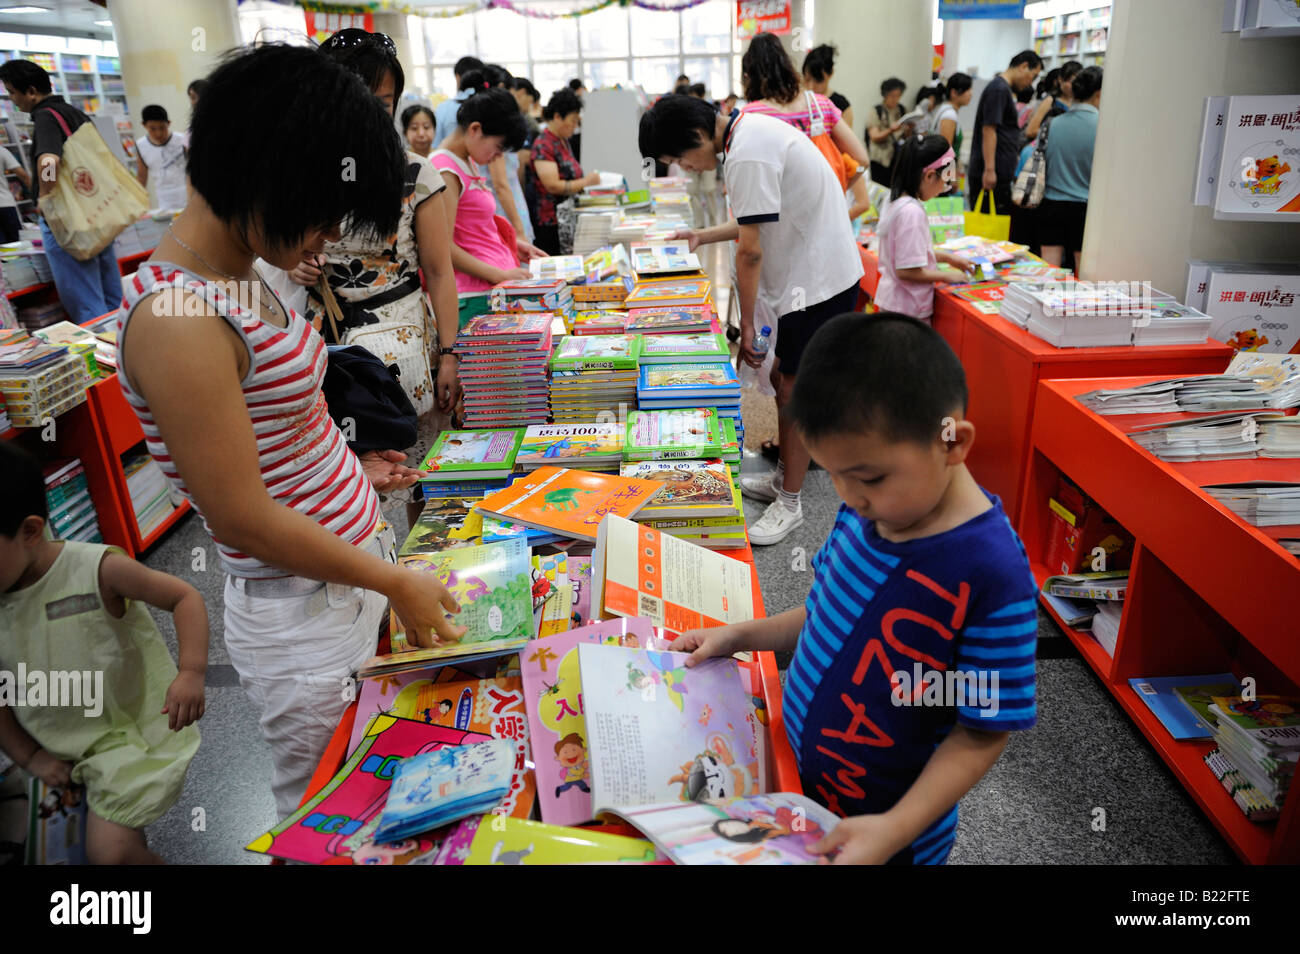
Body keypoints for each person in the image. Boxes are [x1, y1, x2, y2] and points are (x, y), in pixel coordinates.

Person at [115, 43, 467, 820]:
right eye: (321, 211)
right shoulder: (176, 320)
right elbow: (238, 515)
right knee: (323, 810)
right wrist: (391, 579)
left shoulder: (243, 272)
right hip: (303, 617)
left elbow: (274, 429)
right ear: (266, 173)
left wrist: (345, 463)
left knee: (374, 789)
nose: (328, 237)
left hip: (348, 573)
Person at [676, 313, 1037, 865]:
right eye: (835, 475)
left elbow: (982, 731)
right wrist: (738, 635)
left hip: (889, 839)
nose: (850, 497)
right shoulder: (866, 513)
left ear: (953, 441)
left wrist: (893, 829)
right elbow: (826, 614)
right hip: (804, 799)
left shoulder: (991, 573)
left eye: (868, 478)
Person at [639, 94, 863, 547]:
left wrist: (744, 328)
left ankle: (792, 504)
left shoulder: (747, 152)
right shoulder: (749, 134)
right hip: (815, 272)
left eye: (681, 157)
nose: (689, 166)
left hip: (819, 280)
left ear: (698, 137)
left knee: (793, 389)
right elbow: (754, 221)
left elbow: (751, 250)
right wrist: (703, 235)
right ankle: (784, 479)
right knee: (784, 379)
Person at [0, 442, 205, 864]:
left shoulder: (97, 569)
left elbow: (184, 597)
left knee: (111, 855)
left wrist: (191, 671)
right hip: (55, 747)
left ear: (31, 531)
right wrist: (30, 755)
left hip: (125, 738)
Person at [288, 29, 461, 442]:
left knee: (414, 467)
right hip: (322, 340)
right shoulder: (300, 174)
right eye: (355, 100)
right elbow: (271, 248)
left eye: (381, 104)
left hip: (405, 342)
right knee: (339, 470)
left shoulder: (416, 174)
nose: (366, 115)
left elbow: (439, 271)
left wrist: (451, 356)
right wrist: (292, 261)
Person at [0, 59, 123, 323]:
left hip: (70, 217)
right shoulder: (72, 111)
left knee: (85, 299)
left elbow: (48, 161)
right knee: (110, 294)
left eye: (12, 92)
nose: (12, 99)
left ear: (31, 91)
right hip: (96, 209)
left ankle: (102, 354)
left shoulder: (45, 117)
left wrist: (45, 195)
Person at [433, 87, 543, 291]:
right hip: (472, 291)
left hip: (492, 284)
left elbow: (472, 230)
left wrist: (514, 245)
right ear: (475, 129)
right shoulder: (444, 171)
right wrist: (500, 275)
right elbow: (443, 247)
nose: (497, 157)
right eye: (498, 148)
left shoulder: (466, 160)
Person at [876, 134, 975, 322]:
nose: (943, 189)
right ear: (930, 176)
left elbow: (905, 253)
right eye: (945, 183)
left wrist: (947, 257)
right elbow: (906, 271)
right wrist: (947, 276)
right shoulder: (911, 213)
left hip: (895, 305)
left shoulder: (895, 201)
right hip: (906, 312)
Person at [738, 34, 869, 170]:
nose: (811, 85)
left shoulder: (750, 115)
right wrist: (835, 187)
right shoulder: (822, 105)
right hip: (820, 189)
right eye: (808, 79)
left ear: (749, 77)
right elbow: (862, 159)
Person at [1040, 66, 1102, 269]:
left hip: (1051, 205)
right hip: (1086, 209)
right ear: (1099, 94)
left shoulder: (1052, 123)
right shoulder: (1102, 126)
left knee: (1050, 273)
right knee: (1083, 273)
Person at [968, 49, 1042, 213]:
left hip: (997, 172)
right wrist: (989, 170)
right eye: (1034, 75)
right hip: (991, 174)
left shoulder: (1001, 89)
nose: (1031, 82)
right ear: (1023, 66)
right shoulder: (999, 89)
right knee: (988, 231)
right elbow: (989, 130)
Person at [527, 88, 599, 255]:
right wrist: (586, 182)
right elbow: (552, 185)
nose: (575, 126)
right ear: (558, 116)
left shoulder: (562, 141)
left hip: (566, 219)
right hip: (552, 223)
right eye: (573, 121)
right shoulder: (543, 145)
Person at [135, 104, 189, 211]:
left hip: (187, 194)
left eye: (162, 128)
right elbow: (141, 176)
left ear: (169, 123)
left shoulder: (182, 140)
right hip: (164, 199)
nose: (158, 133)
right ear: (144, 125)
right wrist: (138, 203)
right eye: (152, 129)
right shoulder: (141, 145)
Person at [431, 55, 484, 150]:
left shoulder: (444, 108)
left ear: (457, 77)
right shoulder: (488, 105)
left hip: (449, 162)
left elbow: (436, 145)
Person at [930, 73, 972, 193]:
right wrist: (951, 176)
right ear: (954, 93)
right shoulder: (949, 115)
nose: (971, 94)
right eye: (967, 90)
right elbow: (946, 148)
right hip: (941, 174)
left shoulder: (945, 110)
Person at [866, 77, 910, 188]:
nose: (895, 99)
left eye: (898, 96)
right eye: (892, 96)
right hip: (880, 159)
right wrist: (891, 130)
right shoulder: (877, 111)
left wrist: (909, 128)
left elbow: (907, 136)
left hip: (898, 159)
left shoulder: (902, 110)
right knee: (880, 190)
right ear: (885, 94)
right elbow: (874, 136)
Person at [1025, 60, 1081, 141]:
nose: (1074, 86)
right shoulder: (1050, 101)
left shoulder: (1079, 103)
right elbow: (1031, 131)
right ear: (1060, 80)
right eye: (1071, 81)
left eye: (1078, 82)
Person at [802, 43, 853, 131]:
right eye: (807, 79)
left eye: (818, 80)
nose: (811, 86)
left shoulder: (841, 105)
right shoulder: (799, 102)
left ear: (831, 73)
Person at [0, 143, 31, 243]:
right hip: (5, 204)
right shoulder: (2, 151)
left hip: (5, 204)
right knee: (16, 244)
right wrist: (38, 196)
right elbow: (23, 175)